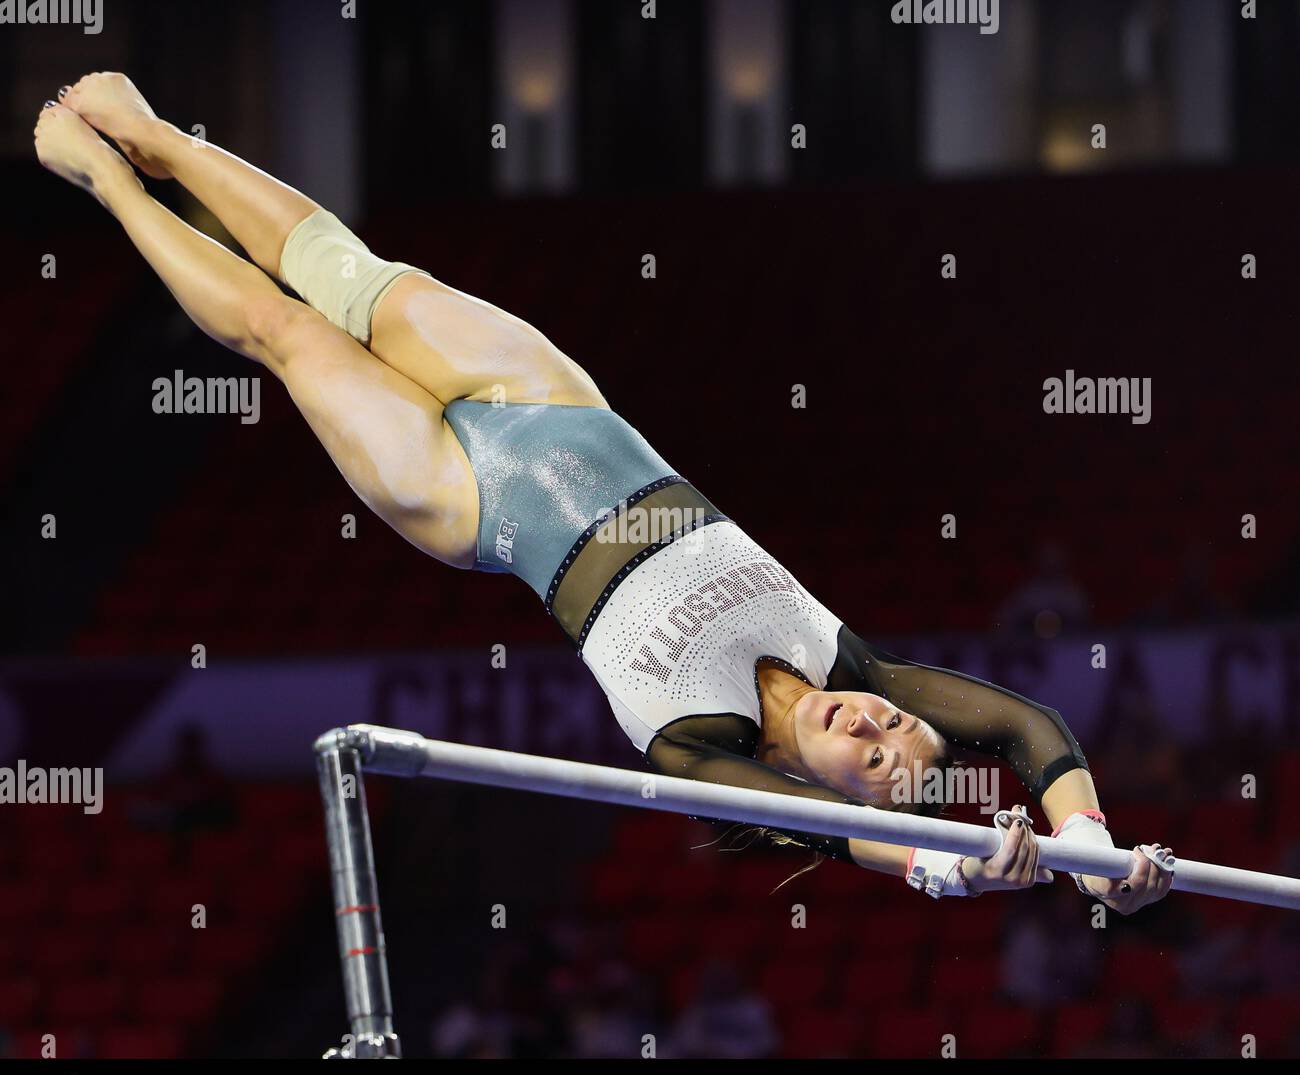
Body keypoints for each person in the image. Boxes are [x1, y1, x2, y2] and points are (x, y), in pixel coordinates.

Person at [35, 73, 1174, 913]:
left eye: (872, 762)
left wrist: (943, 860)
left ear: (815, 783)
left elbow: (853, 836)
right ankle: (153, 139)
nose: (873, 725)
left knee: (286, 333)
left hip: (471, 497)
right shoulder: (851, 664)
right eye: (897, 732)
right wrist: (1093, 843)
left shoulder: (700, 748)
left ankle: (109, 187)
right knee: (351, 272)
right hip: (565, 410)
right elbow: (1028, 725)